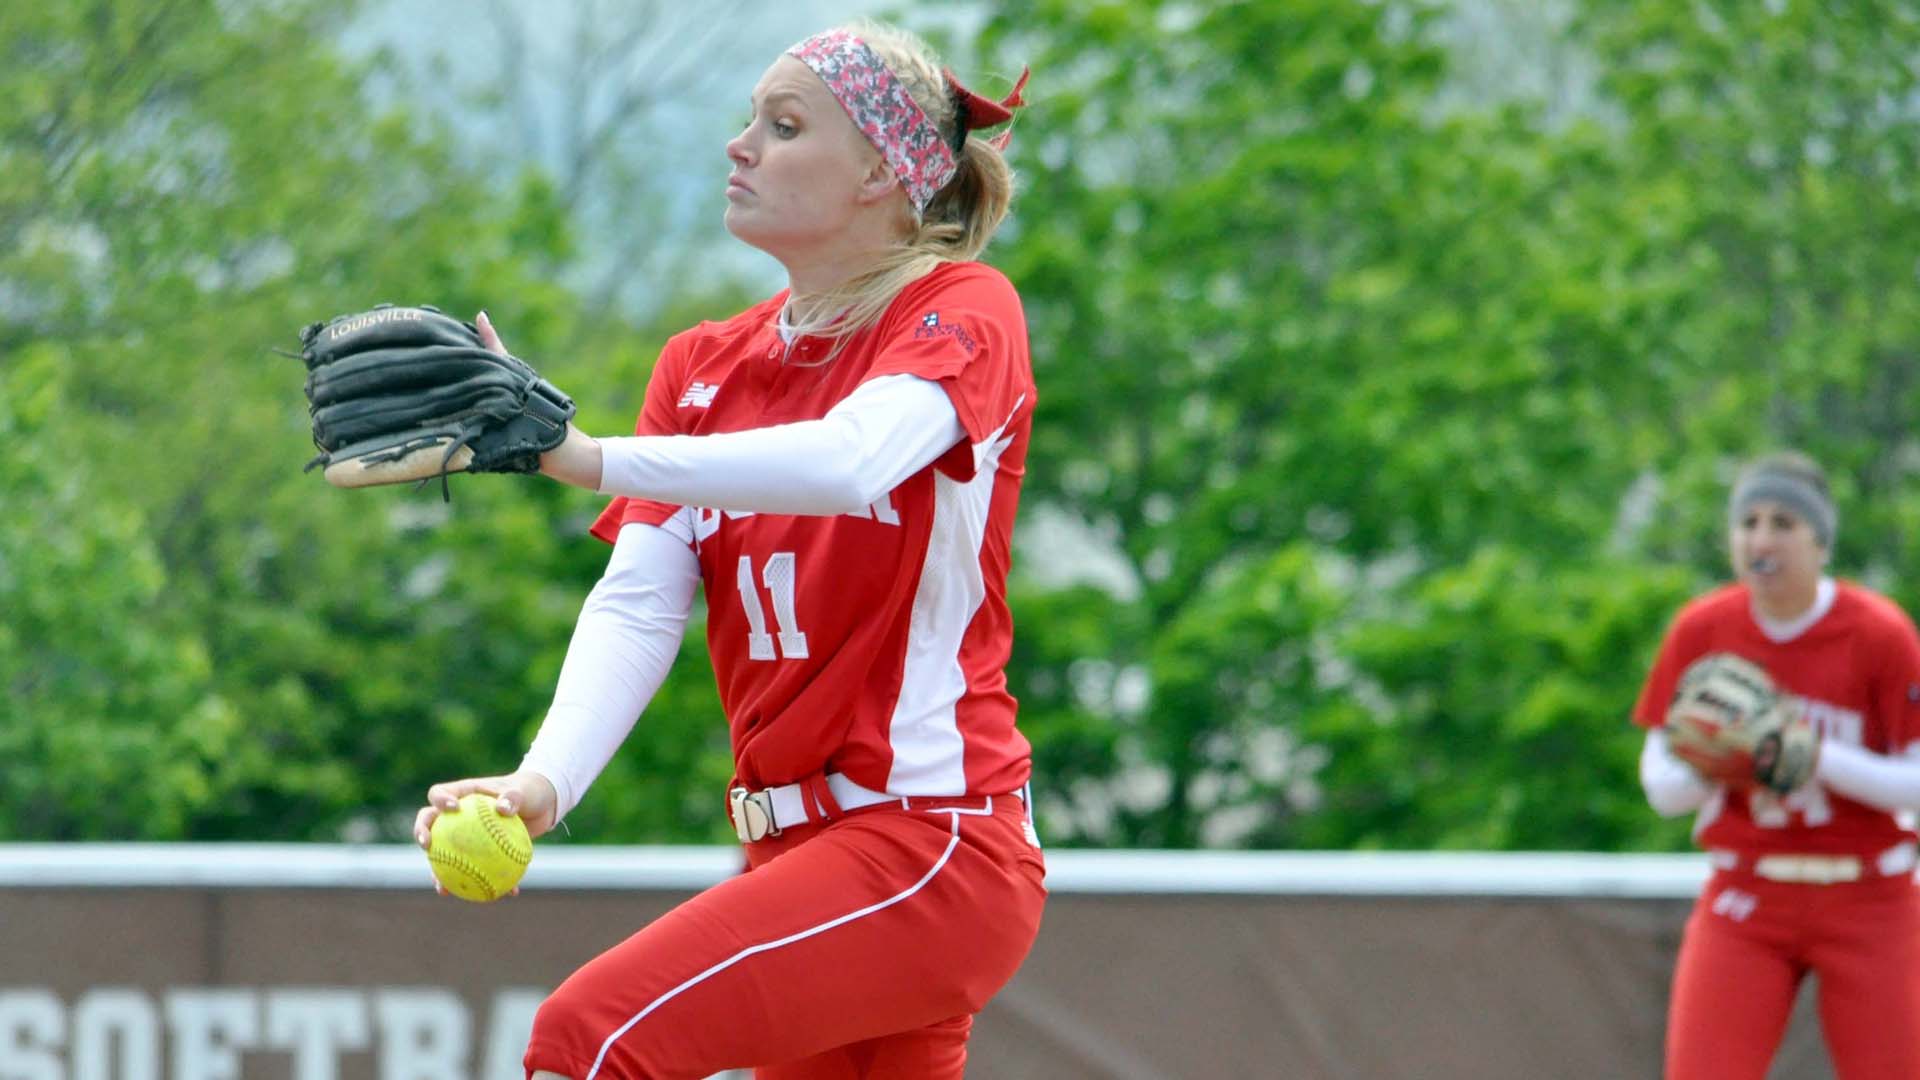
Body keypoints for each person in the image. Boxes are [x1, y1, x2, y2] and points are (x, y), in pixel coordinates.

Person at [411, 21, 1044, 1080]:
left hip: (928, 846)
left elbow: (852, 461)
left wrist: (590, 458)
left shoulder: (963, 309)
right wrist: (545, 780)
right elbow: (641, 603)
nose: (739, 145)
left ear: (883, 173)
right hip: (794, 855)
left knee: (588, 1040)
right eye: (750, 119)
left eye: (784, 125)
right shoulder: (702, 365)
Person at [1633, 451, 1920, 1079]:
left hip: (1869, 893)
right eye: (1748, 522)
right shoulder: (1705, 628)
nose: (1761, 540)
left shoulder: (1878, 634)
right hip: (1748, 890)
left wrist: (1810, 754)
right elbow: (1661, 787)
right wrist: (1722, 760)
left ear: (1821, 541)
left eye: (1784, 523)